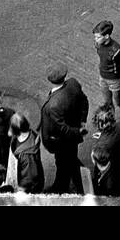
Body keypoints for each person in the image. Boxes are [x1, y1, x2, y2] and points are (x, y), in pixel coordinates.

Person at [40, 63, 88, 194]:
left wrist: (77, 131)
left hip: (62, 141)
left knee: (63, 164)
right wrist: (82, 121)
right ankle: (81, 182)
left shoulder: (53, 105)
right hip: (73, 135)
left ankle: (63, 187)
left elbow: (62, 128)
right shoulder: (73, 83)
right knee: (71, 158)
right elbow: (85, 101)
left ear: (50, 80)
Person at [89, 106, 120, 197]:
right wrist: (102, 136)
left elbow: (100, 164)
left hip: (112, 181)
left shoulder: (100, 147)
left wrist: (100, 141)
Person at [91, 20, 120, 131]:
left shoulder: (117, 51)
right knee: (107, 103)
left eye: (98, 37)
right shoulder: (98, 44)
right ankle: (110, 124)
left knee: (119, 102)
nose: (95, 40)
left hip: (115, 80)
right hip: (103, 77)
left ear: (107, 36)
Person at [5, 113, 45, 193]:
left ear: (16, 131)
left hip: (31, 186)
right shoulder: (31, 133)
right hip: (31, 173)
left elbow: (30, 177)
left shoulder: (27, 156)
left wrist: (21, 190)